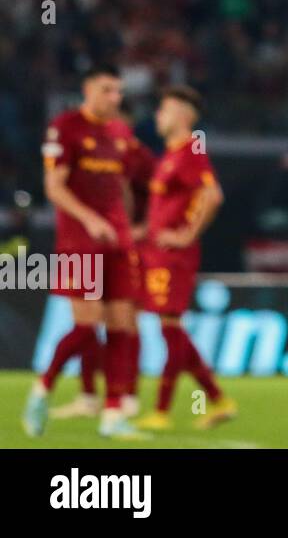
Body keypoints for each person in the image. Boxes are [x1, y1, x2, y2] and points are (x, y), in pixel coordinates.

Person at [22, 64, 144, 439]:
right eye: (107, 90)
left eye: (118, 91)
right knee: (87, 326)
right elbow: (54, 187)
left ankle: (112, 415)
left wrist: (129, 224)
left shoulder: (120, 133)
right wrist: (90, 219)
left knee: (123, 325)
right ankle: (42, 389)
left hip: (118, 241)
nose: (114, 98)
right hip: (80, 242)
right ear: (88, 89)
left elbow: (122, 185)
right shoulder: (65, 127)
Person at [134, 86, 235, 431]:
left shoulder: (192, 149)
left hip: (173, 256)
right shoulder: (171, 155)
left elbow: (213, 196)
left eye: (164, 110)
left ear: (183, 114)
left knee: (171, 329)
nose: (158, 117)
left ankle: (162, 411)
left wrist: (187, 234)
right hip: (157, 252)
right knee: (171, 330)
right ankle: (218, 399)